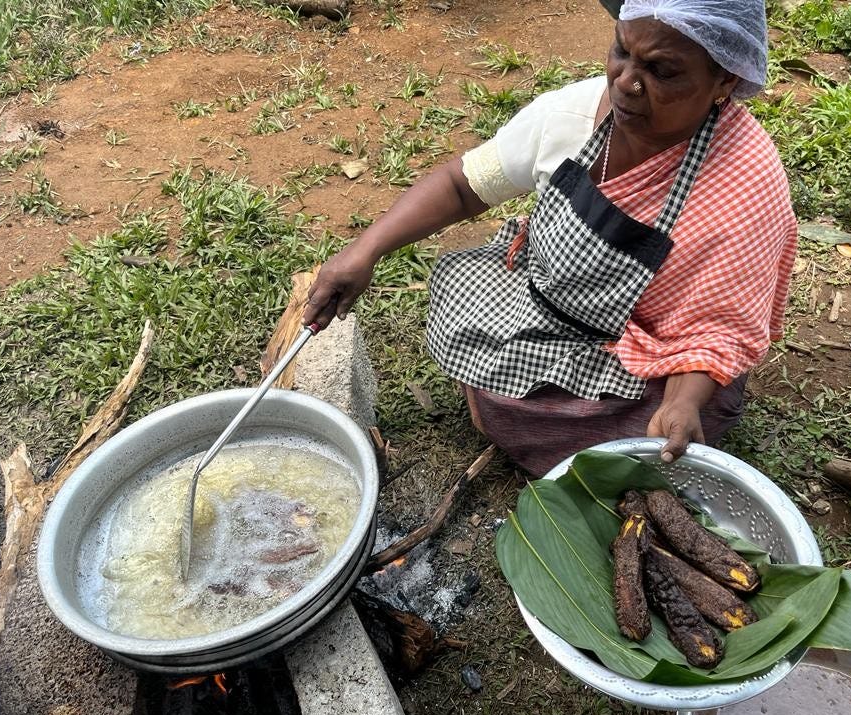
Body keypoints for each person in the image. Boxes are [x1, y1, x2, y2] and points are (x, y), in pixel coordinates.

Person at [304, 0, 797, 476]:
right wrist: (365, 250)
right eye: (622, 51)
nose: (626, 83)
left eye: (662, 71)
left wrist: (682, 401)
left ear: (724, 79)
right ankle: (513, 407)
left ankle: (531, 413)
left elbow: (717, 332)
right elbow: (462, 186)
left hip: (656, 352)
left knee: (684, 423)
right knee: (482, 341)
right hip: (548, 302)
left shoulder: (745, 181)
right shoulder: (574, 116)